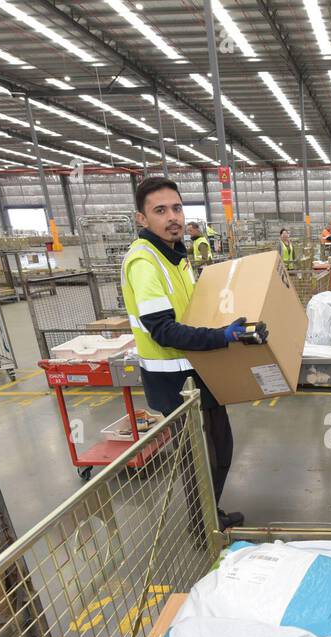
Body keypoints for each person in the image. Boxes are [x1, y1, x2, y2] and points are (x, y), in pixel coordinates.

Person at [123, 176, 246, 530]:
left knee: (220, 451)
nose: (172, 217)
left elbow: (189, 312)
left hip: (197, 372)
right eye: (159, 210)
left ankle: (208, 513)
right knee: (197, 460)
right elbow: (163, 329)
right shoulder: (145, 262)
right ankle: (203, 526)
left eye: (176, 208)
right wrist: (221, 336)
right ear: (142, 219)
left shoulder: (176, 257)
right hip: (172, 380)